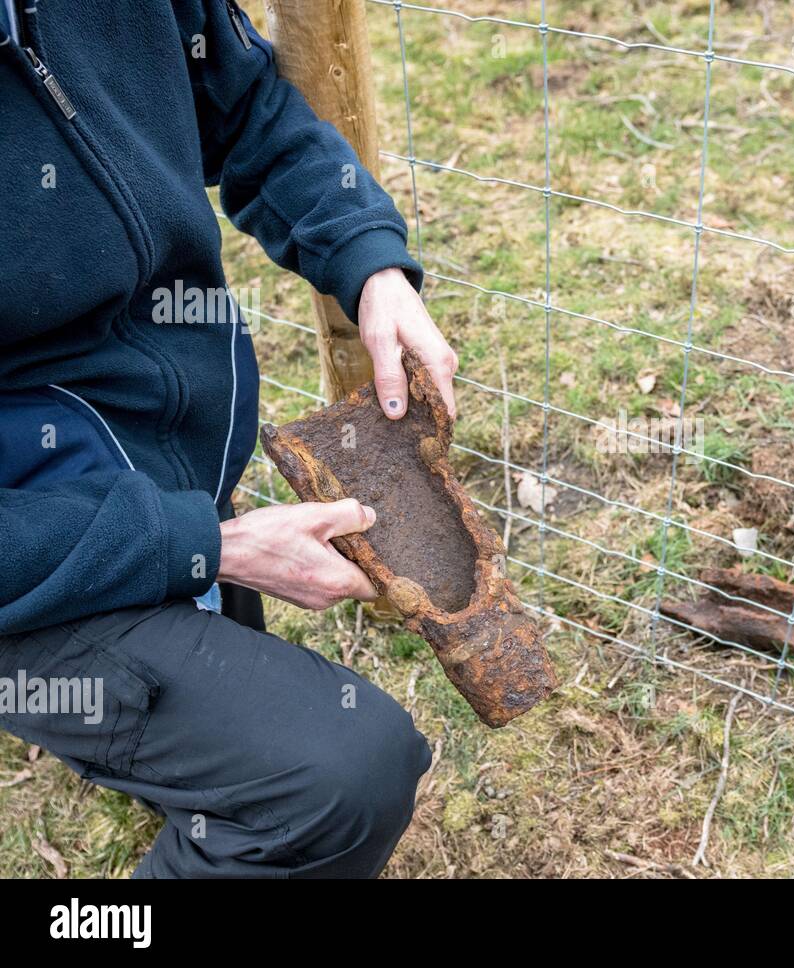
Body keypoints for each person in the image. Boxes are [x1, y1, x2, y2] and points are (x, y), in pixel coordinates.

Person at [0, 1, 458, 876]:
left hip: (163, 471)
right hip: (33, 539)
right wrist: (205, 546)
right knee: (339, 776)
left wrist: (368, 261)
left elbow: (247, 108)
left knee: (235, 709)